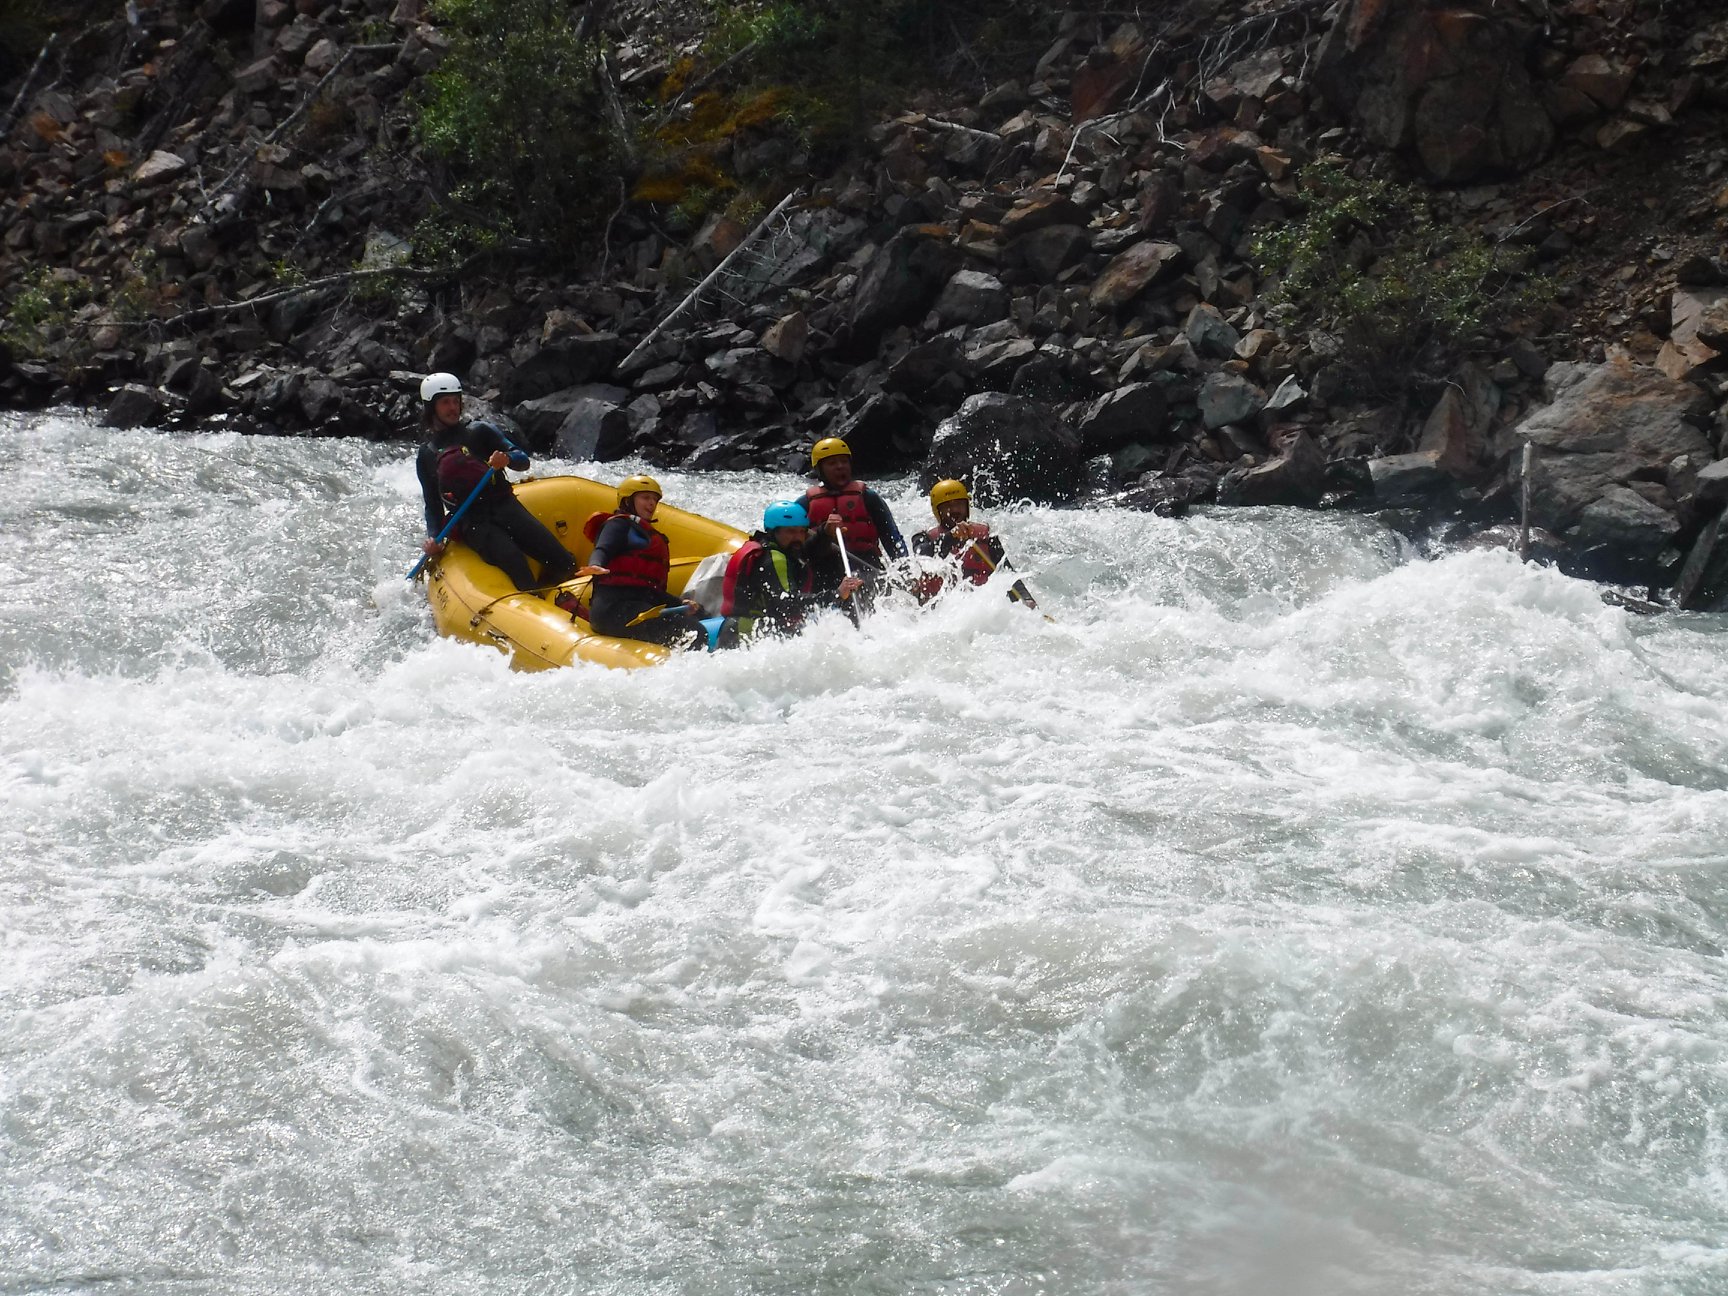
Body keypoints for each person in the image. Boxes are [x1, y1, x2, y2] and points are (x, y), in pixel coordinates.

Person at [414, 372, 576, 593]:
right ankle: (534, 604)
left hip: (505, 507)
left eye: (456, 401)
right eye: (445, 403)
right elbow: (432, 504)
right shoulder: (426, 455)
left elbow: (523, 460)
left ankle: (556, 595)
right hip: (473, 521)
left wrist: (507, 459)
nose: (453, 408)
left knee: (565, 563)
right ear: (431, 408)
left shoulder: (479, 432)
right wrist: (434, 537)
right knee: (517, 566)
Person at [578, 475, 701, 646]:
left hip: (636, 609)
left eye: (654, 500)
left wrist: (679, 603)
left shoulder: (645, 533)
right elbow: (603, 548)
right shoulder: (617, 525)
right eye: (645, 498)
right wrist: (596, 564)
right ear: (628, 501)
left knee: (700, 617)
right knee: (693, 631)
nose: (651, 503)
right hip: (612, 611)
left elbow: (647, 590)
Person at [719, 500, 864, 639]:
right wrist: (835, 595)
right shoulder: (774, 559)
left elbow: (807, 552)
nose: (798, 537)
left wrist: (825, 532)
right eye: (791, 531)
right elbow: (788, 603)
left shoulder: (776, 548)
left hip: (745, 627)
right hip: (750, 633)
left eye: (801, 532)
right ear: (773, 532)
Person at [800, 437, 908, 598]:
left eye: (844, 461)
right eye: (832, 463)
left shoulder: (868, 497)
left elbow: (892, 538)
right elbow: (793, 544)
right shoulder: (805, 503)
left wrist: (906, 571)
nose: (840, 467)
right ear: (819, 470)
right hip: (824, 570)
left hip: (866, 566)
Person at [911, 479, 1038, 609]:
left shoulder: (986, 535)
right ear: (938, 511)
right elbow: (921, 553)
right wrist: (951, 537)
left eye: (959, 504)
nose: (955, 510)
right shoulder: (923, 537)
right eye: (948, 506)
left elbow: (1007, 572)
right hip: (940, 611)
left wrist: (1026, 600)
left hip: (982, 608)